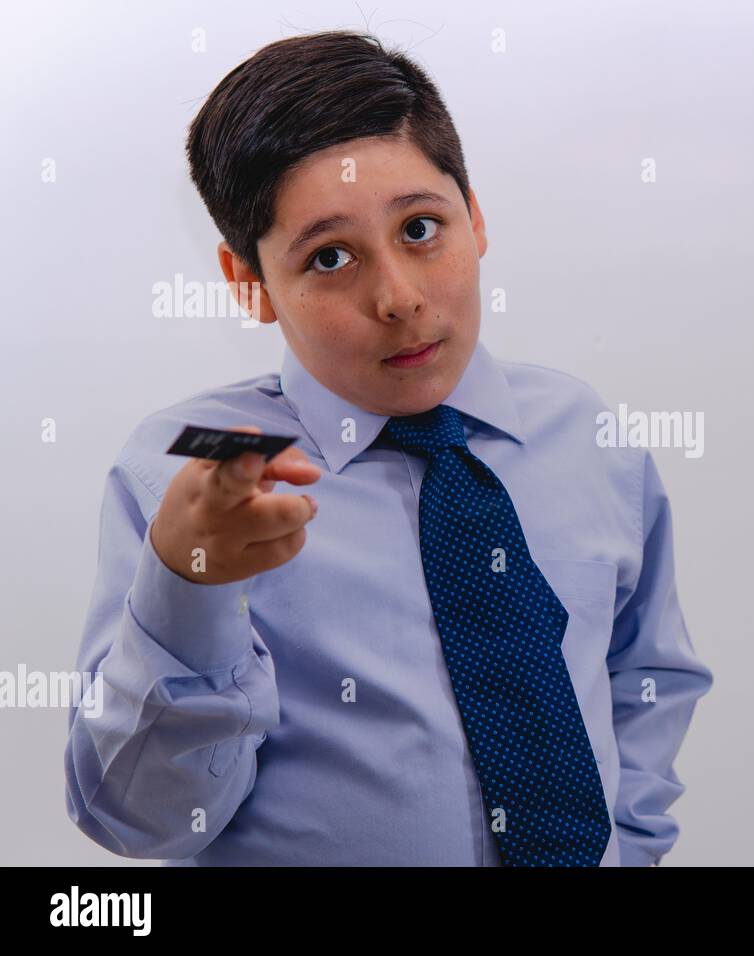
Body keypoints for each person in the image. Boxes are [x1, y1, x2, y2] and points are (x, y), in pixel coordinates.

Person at [64, 30, 712, 866]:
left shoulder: (582, 432)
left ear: (475, 217)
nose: (399, 300)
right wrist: (189, 585)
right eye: (329, 257)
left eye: (420, 229)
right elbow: (138, 821)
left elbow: (645, 677)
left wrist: (633, 847)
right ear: (248, 284)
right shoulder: (195, 471)